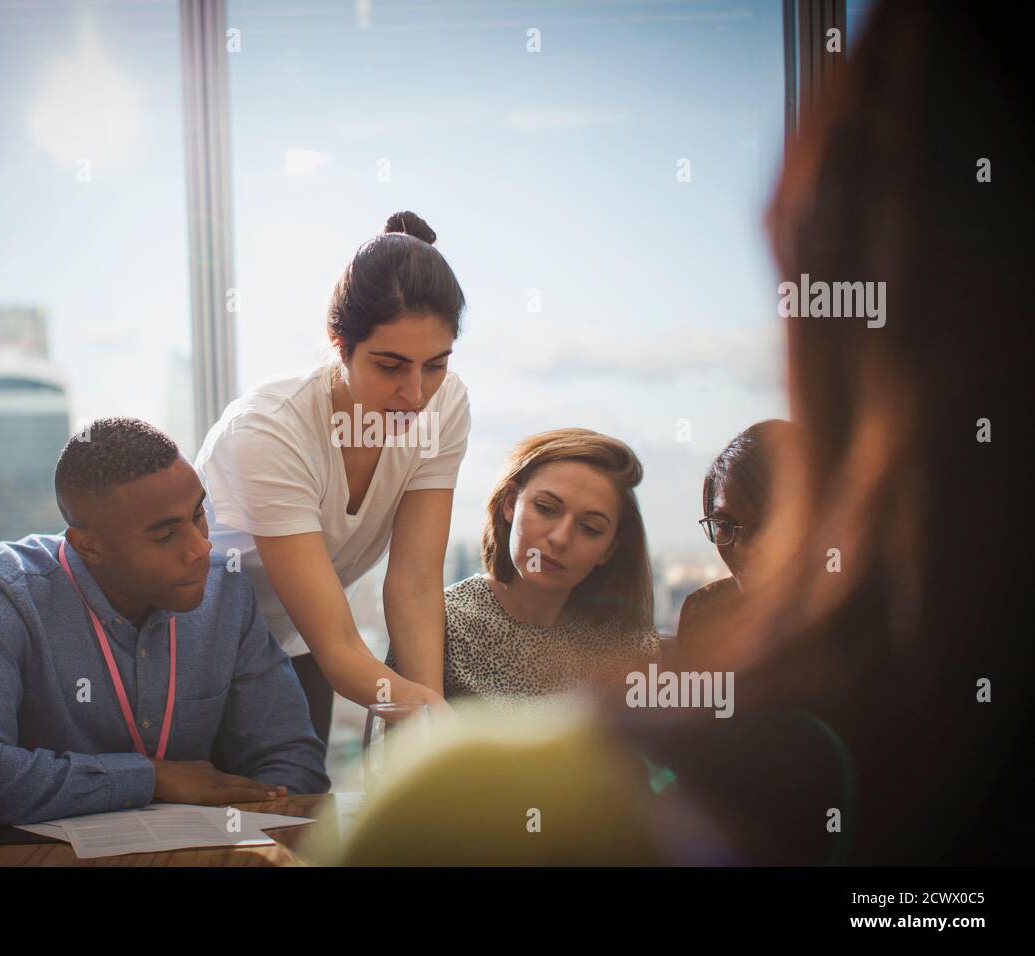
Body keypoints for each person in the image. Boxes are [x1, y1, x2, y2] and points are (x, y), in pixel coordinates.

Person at [305, 0, 1035, 865]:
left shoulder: (634, 689)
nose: (561, 536)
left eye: (593, 523)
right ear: (505, 509)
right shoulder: (461, 633)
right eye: (547, 508)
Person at [0, 418, 329, 828]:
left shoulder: (225, 590)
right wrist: (153, 778)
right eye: (165, 536)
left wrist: (262, 815)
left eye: (198, 514)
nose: (200, 548)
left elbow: (293, 761)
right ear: (88, 546)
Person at [194, 211, 470, 741]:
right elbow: (340, 644)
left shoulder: (446, 405)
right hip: (199, 654)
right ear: (338, 342)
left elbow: (413, 585)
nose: (416, 394)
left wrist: (429, 714)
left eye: (435, 365)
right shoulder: (269, 433)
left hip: (299, 646)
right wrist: (429, 712)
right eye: (390, 367)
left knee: (303, 809)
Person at [386, 428, 660, 708]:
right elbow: (394, 747)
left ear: (610, 549)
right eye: (546, 508)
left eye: (590, 528)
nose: (560, 539)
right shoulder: (438, 624)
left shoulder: (628, 644)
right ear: (510, 503)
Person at [675, 420, 798, 664]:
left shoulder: (865, 622)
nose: (741, 549)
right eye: (724, 526)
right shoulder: (704, 613)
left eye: (764, 526)